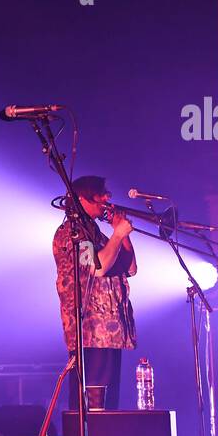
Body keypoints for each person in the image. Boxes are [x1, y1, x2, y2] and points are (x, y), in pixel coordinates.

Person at [52, 175, 137, 410]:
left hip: (109, 330)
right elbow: (95, 268)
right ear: (82, 198)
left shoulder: (96, 234)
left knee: (108, 404)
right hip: (89, 330)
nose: (107, 198)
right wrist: (118, 235)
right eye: (101, 193)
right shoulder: (73, 231)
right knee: (92, 404)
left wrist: (123, 236)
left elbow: (130, 269)